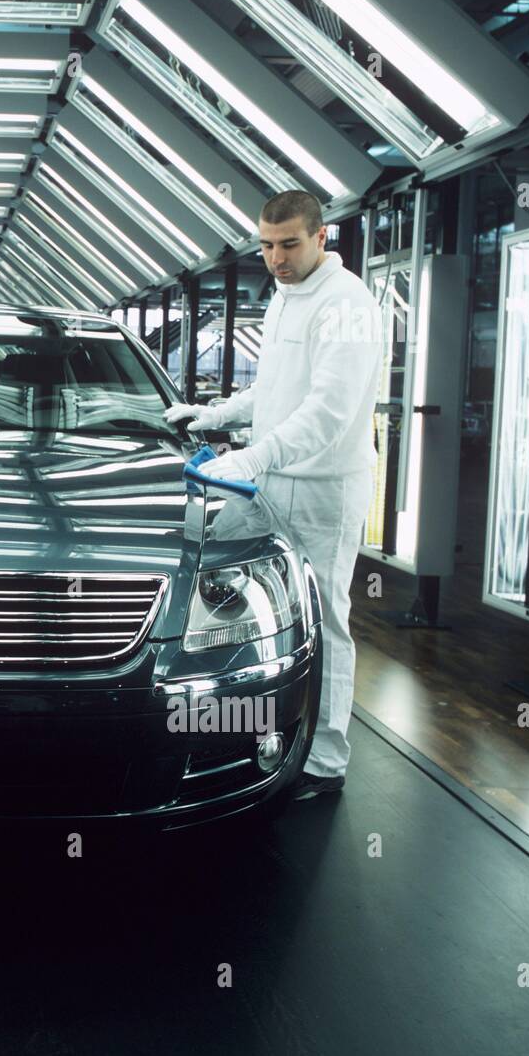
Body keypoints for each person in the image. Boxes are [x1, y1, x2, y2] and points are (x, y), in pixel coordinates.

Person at [165, 190, 383, 800]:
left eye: (288, 244)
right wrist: (212, 415)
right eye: (266, 245)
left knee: (326, 618)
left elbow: (328, 413)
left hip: (324, 492)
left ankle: (326, 761)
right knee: (232, 587)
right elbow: (272, 390)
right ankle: (237, 725)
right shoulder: (286, 299)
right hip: (271, 483)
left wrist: (254, 455)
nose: (276, 258)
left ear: (321, 237)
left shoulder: (348, 308)